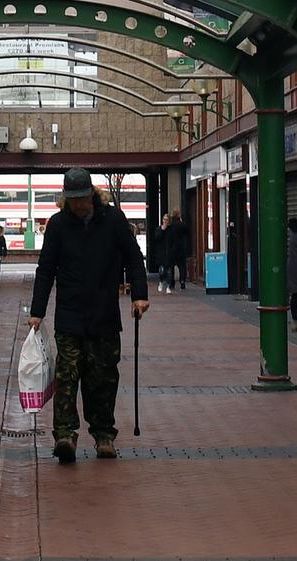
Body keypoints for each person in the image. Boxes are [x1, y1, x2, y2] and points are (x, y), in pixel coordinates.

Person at [27, 169, 148, 464]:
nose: (78, 205)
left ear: (91, 195)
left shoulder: (113, 220)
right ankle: (65, 436)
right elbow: (45, 270)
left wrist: (139, 296)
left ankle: (104, 435)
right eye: (72, 200)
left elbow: (133, 257)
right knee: (66, 376)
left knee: (103, 378)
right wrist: (37, 312)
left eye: (82, 199)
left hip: (104, 313)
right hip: (69, 314)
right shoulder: (57, 225)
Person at [158, 211, 190, 293]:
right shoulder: (180, 224)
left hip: (171, 250)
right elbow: (187, 231)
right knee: (181, 266)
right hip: (179, 249)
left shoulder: (171, 227)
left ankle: (171, 283)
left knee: (170, 268)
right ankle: (182, 281)